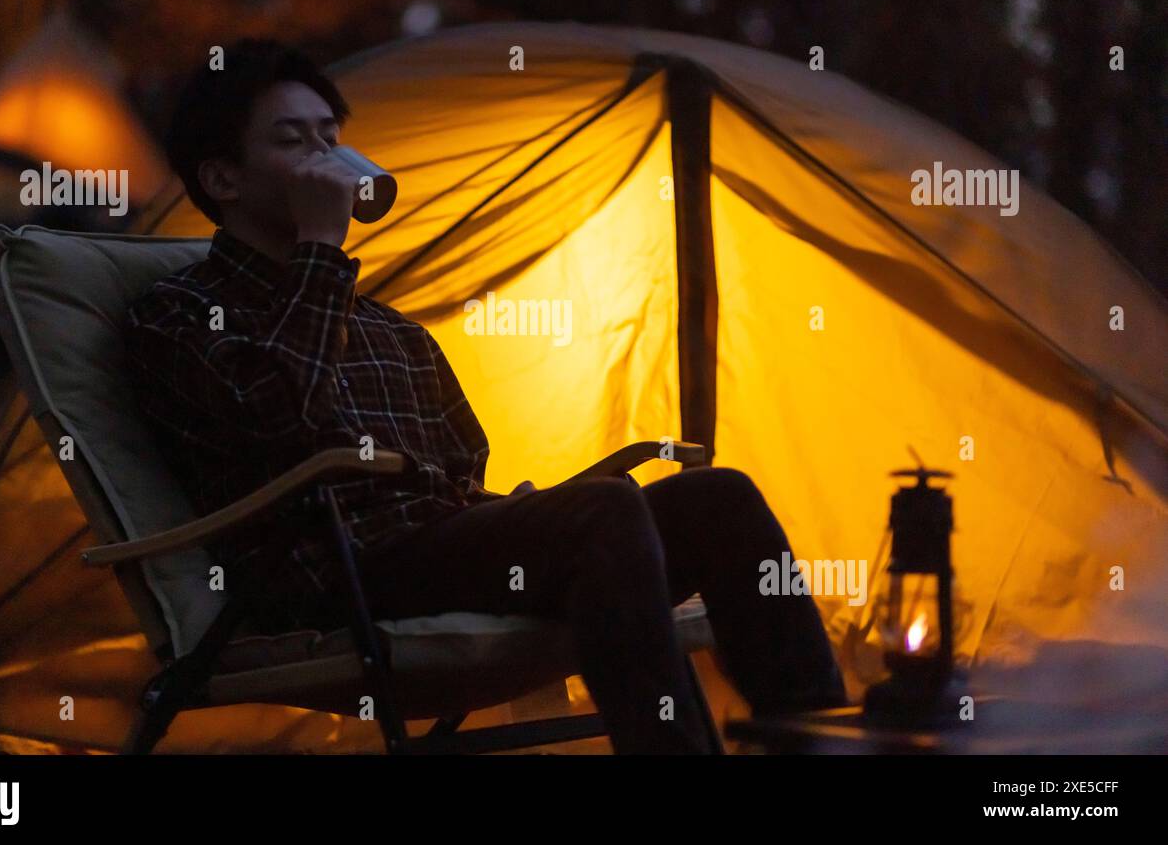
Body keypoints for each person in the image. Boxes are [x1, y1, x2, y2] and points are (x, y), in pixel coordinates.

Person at [124, 38, 847, 754]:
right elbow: (283, 421)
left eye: (330, 138)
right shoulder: (177, 313)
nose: (324, 159)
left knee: (715, 500)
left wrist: (509, 515)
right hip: (332, 576)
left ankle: (820, 747)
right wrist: (321, 246)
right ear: (223, 178)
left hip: (438, 556)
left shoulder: (384, 327)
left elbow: (462, 464)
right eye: (293, 141)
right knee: (599, 511)